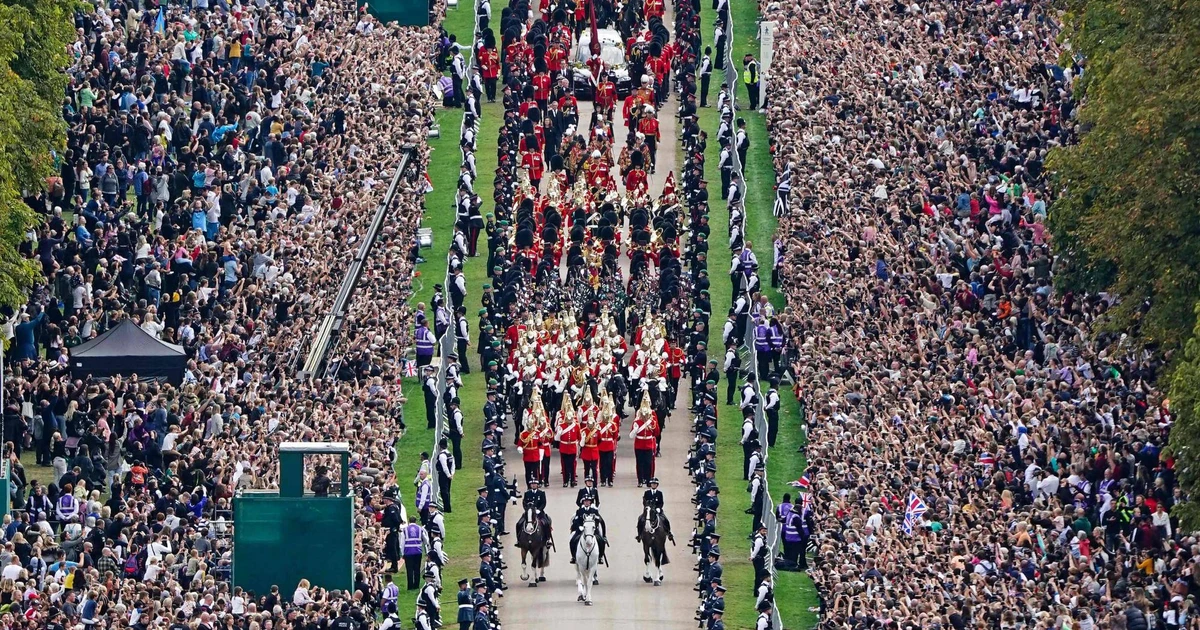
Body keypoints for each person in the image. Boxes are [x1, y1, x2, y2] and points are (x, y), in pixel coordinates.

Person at [568, 494, 606, 564]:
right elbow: (575, 521)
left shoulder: (594, 511)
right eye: (585, 501)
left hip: (592, 530)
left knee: (601, 541)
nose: (586, 502)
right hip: (581, 530)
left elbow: (598, 520)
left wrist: (594, 527)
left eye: (588, 501)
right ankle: (573, 557)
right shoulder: (579, 511)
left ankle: (600, 557)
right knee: (572, 541)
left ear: (590, 502)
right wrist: (579, 526)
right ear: (583, 502)